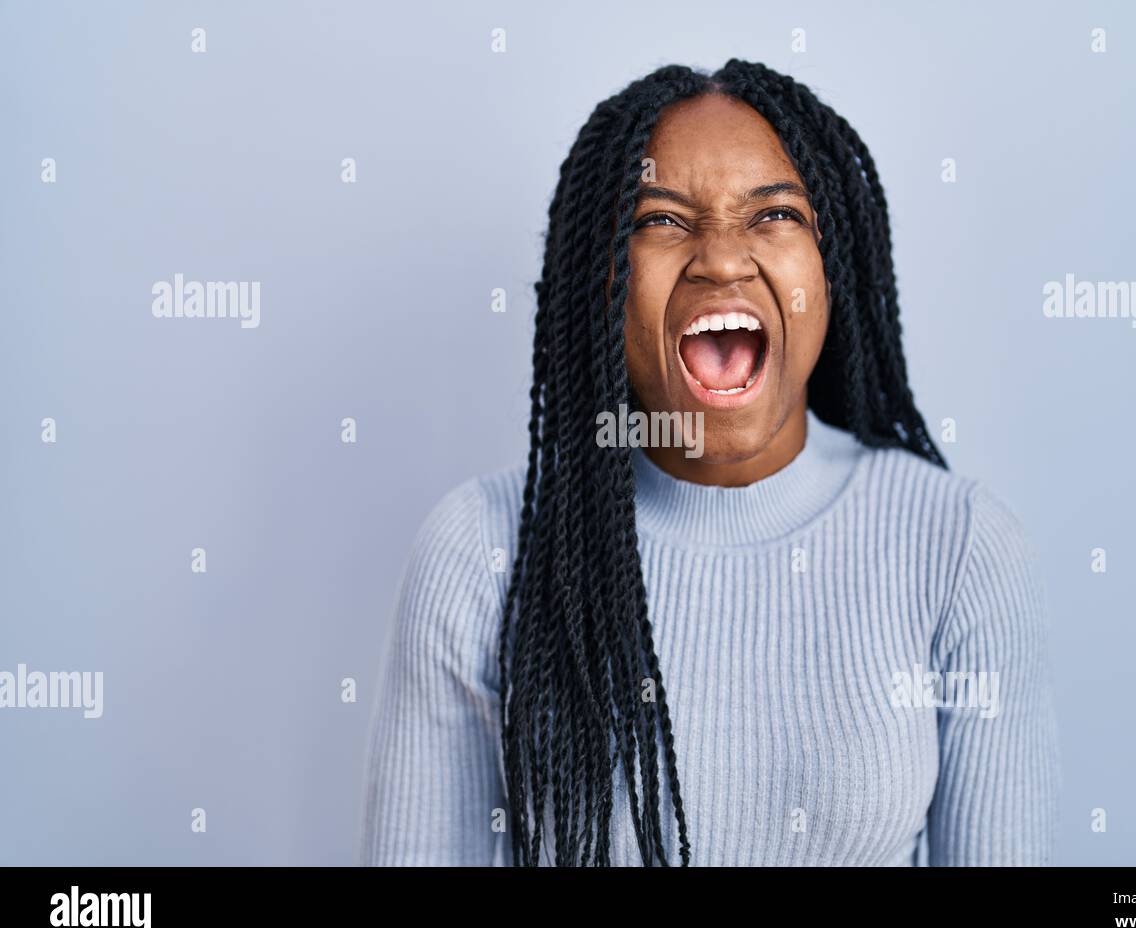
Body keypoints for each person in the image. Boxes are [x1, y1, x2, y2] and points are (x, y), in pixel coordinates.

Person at [362, 60, 1061, 867]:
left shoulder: (962, 550)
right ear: (601, 282)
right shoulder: (482, 556)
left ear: (830, 271)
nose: (722, 260)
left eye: (774, 216)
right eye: (661, 221)